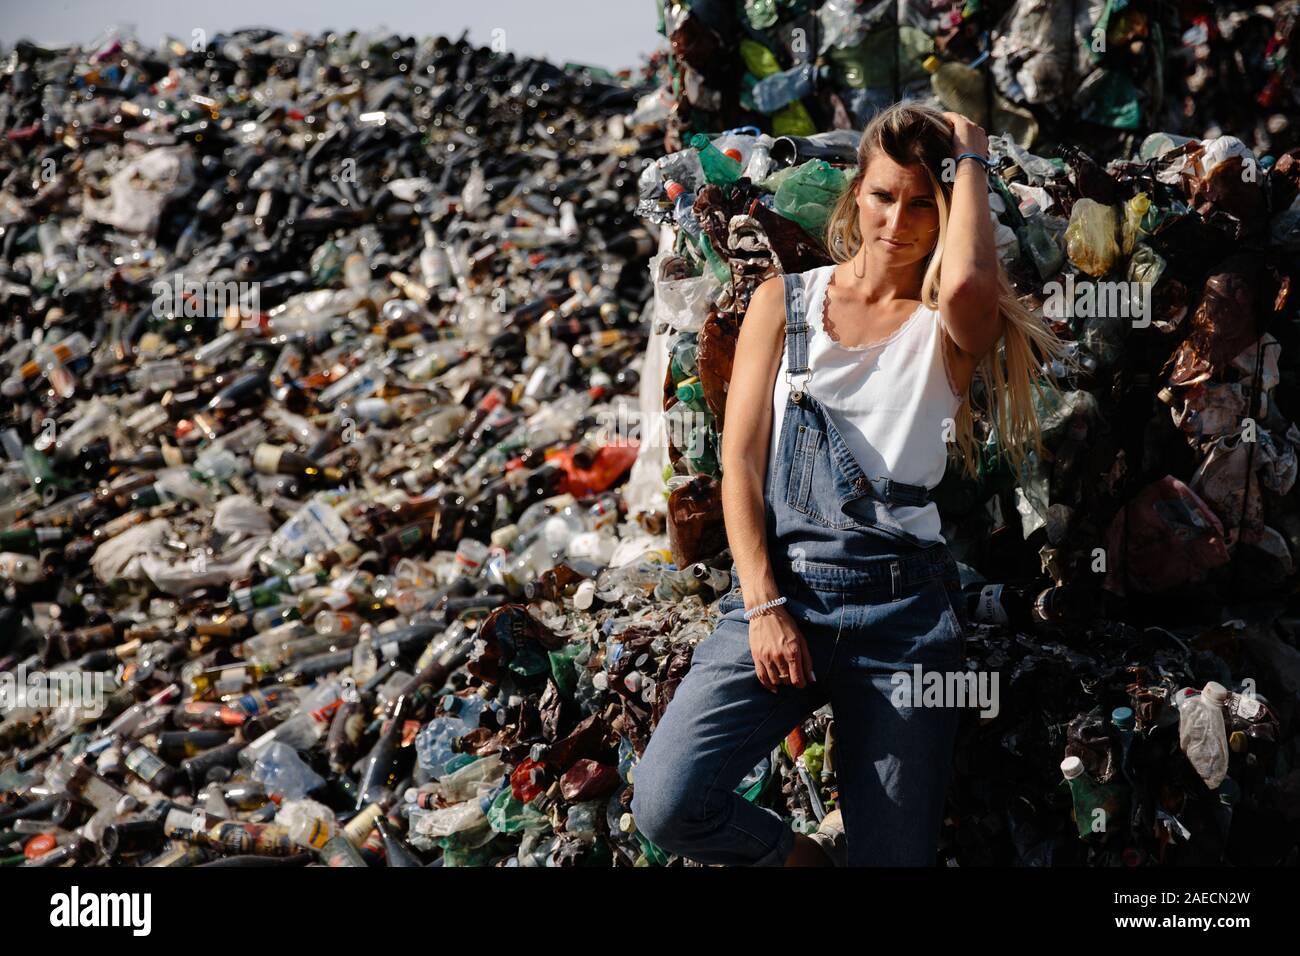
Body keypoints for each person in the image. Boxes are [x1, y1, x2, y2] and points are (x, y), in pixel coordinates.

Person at [630, 102, 1071, 866]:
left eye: (920, 203)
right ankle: (799, 861)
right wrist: (764, 605)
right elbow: (738, 462)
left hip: (904, 619)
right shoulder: (784, 302)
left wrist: (970, 153)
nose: (897, 219)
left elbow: (969, 277)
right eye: (882, 195)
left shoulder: (947, 325)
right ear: (854, 196)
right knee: (667, 802)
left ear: (945, 212)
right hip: (782, 596)